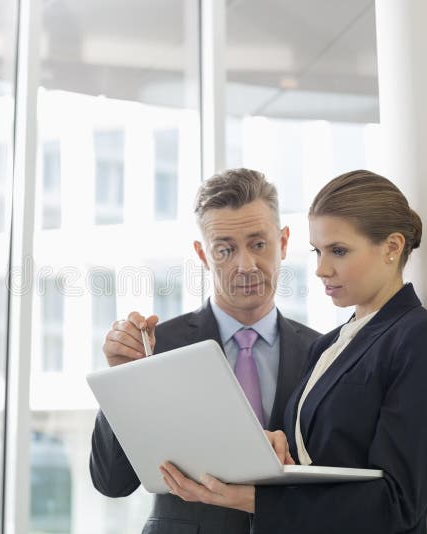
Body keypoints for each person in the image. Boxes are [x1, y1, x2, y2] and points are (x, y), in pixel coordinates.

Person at [159, 169, 427, 533]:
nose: (321, 270)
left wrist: (252, 498)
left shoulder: (424, 340)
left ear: (392, 247)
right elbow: (323, 460)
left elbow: (396, 504)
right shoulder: (328, 344)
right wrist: (279, 444)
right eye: (317, 251)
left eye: (338, 251)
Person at [89, 168, 320, 534]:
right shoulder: (157, 347)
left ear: (284, 242)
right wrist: (121, 381)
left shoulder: (322, 352)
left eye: (258, 244)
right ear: (202, 253)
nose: (245, 265)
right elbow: (112, 482)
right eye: (225, 249)